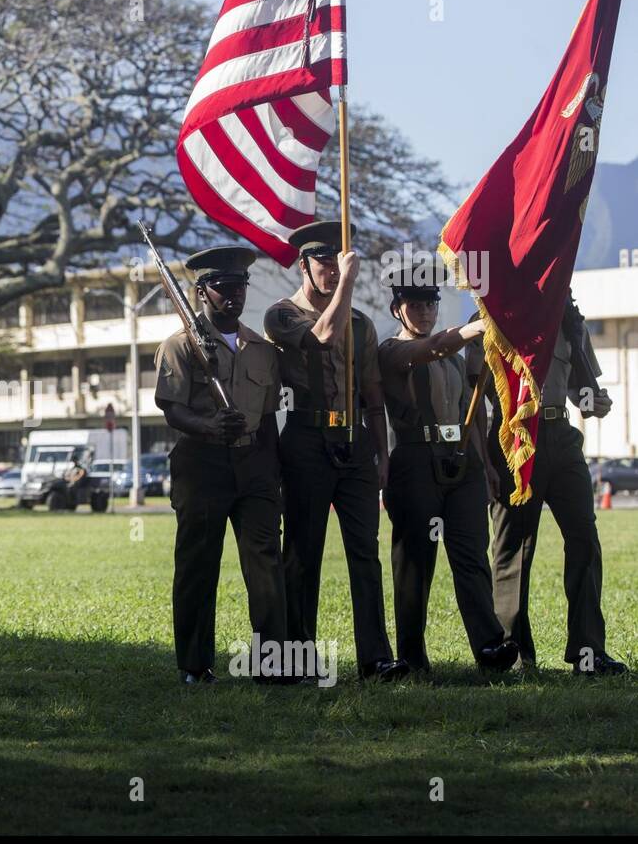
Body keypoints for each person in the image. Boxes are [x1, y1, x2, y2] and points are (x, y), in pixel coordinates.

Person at [263, 221, 407, 681]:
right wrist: (347, 281)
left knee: (365, 551)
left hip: (354, 438)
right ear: (303, 264)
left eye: (336, 260)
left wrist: (382, 454)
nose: (331, 268)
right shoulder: (281, 314)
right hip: (306, 438)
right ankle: (297, 659)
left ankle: (376, 658)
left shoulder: (362, 324)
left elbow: (372, 392)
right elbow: (322, 335)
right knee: (303, 552)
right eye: (323, 261)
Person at [470, 292, 628, 675]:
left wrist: (596, 402)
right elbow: (473, 398)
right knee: (514, 547)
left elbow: (583, 393)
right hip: (515, 434)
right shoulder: (495, 319)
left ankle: (589, 653)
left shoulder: (570, 322)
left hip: (561, 435)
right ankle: (515, 653)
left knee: (584, 540)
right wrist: (487, 461)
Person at [377, 261, 519, 674]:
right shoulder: (392, 350)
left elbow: (470, 413)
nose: (424, 313)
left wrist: (486, 463)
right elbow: (427, 349)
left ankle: (490, 648)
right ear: (398, 309)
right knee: (415, 561)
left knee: (471, 554)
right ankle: (412, 656)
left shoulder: (455, 359)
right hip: (415, 461)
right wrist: (476, 328)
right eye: (415, 305)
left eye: (430, 305)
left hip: (463, 463)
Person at [155, 245, 287, 685]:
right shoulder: (178, 346)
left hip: (253, 464)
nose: (233, 295)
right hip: (201, 463)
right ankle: (195, 665)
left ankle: (273, 664)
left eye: (240, 286)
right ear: (202, 291)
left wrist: (274, 475)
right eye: (223, 287)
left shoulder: (263, 351)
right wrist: (210, 426)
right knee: (198, 563)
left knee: (265, 561)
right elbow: (171, 409)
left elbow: (268, 418)